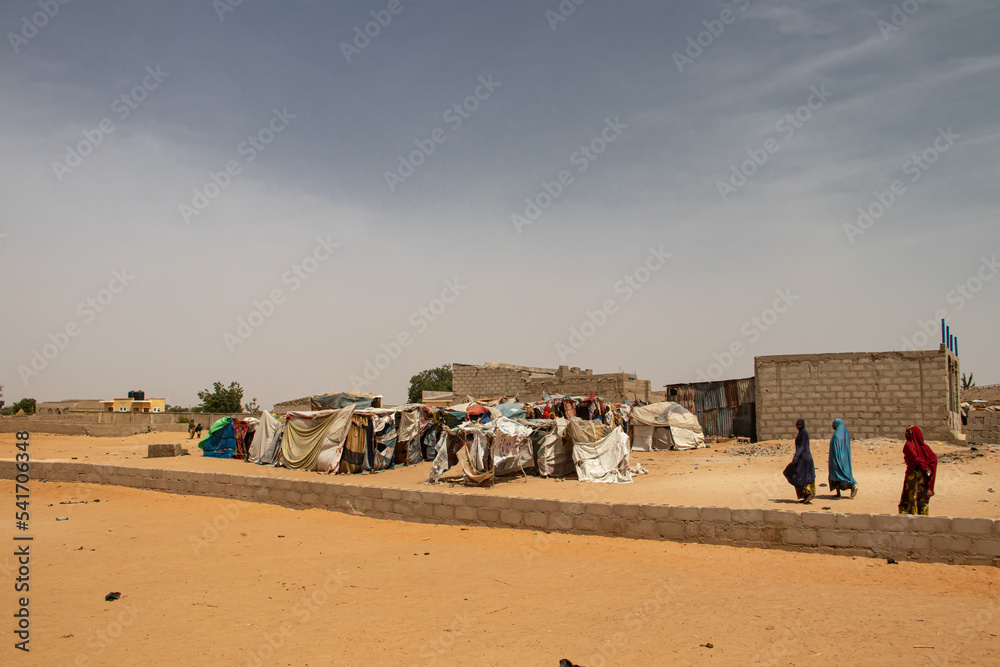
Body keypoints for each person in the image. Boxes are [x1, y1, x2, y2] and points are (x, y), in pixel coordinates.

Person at [899, 425, 938, 515]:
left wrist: (923, 467)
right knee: (920, 496)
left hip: (913, 474)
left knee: (911, 496)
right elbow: (933, 459)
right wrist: (927, 469)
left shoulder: (909, 445)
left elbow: (915, 458)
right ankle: (922, 516)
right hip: (924, 475)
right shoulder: (924, 447)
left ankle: (911, 517)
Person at [784, 419, 816, 503]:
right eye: (797, 425)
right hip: (801, 458)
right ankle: (805, 495)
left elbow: (802, 446)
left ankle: (809, 493)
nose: (798, 426)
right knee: (801, 476)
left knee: (799, 476)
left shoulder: (804, 433)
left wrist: (796, 457)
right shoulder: (801, 433)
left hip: (804, 458)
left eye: (800, 425)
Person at [828, 418, 858, 498]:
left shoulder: (837, 435)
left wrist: (835, 460)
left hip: (837, 458)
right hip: (845, 459)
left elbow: (835, 449)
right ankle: (841, 492)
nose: (832, 426)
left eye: (833, 424)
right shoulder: (846, 434)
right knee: (844, 472)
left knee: (837, 474)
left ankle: (851, 486)